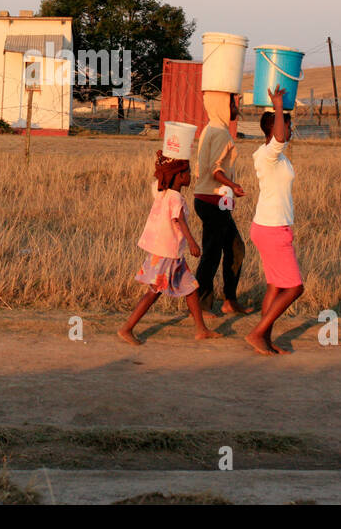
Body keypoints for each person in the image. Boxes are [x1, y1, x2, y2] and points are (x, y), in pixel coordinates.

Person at [119, 152, 222, 346]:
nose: (192, 176)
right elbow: (179, 220)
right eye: (189, 172)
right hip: (167, 252)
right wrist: (192, 242)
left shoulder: (161, 192)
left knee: (190, 288)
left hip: (170, 252)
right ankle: (127, 328)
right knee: (154, 292)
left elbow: (158, 181)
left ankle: (201, 329)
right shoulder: (176, 198)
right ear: (180, 175)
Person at [244, 87, 304, 355]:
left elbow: (280, 138)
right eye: (289, 125)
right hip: (272, 228)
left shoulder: (272, 154)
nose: (290, 130)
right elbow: (279, 135)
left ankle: (264, 339)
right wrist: (279, 106)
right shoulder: (269, 153)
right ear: (276, 127)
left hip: (267, 226)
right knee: (294, 287)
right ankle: (258, 333)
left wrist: (281, 110)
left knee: (275, 284)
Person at [193, 91, 251, 315]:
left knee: (234, 248)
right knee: (212, 253)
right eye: (233, 105)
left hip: (214, 198)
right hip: (213, 199)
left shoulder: (212, 128)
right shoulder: (221, 133)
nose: (236, 110)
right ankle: (201, 305)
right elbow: (214, 169)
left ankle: (229, 301)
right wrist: (233, 185)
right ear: (221, 107)